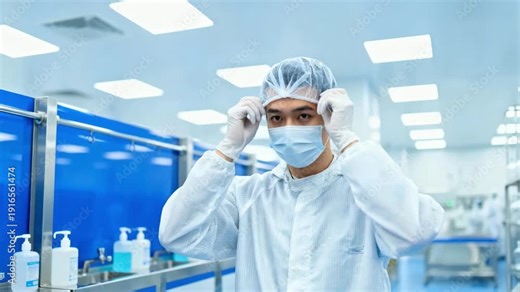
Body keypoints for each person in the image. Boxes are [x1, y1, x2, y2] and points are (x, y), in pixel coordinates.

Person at [159, 57, 445, 290]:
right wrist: (226, 150)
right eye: (276, 118)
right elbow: (176, 234)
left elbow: (415, 232)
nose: (289, 127)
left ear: (328, 116)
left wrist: (346, 138)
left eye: (303, 115)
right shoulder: (248, 195)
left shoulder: (365, 192)